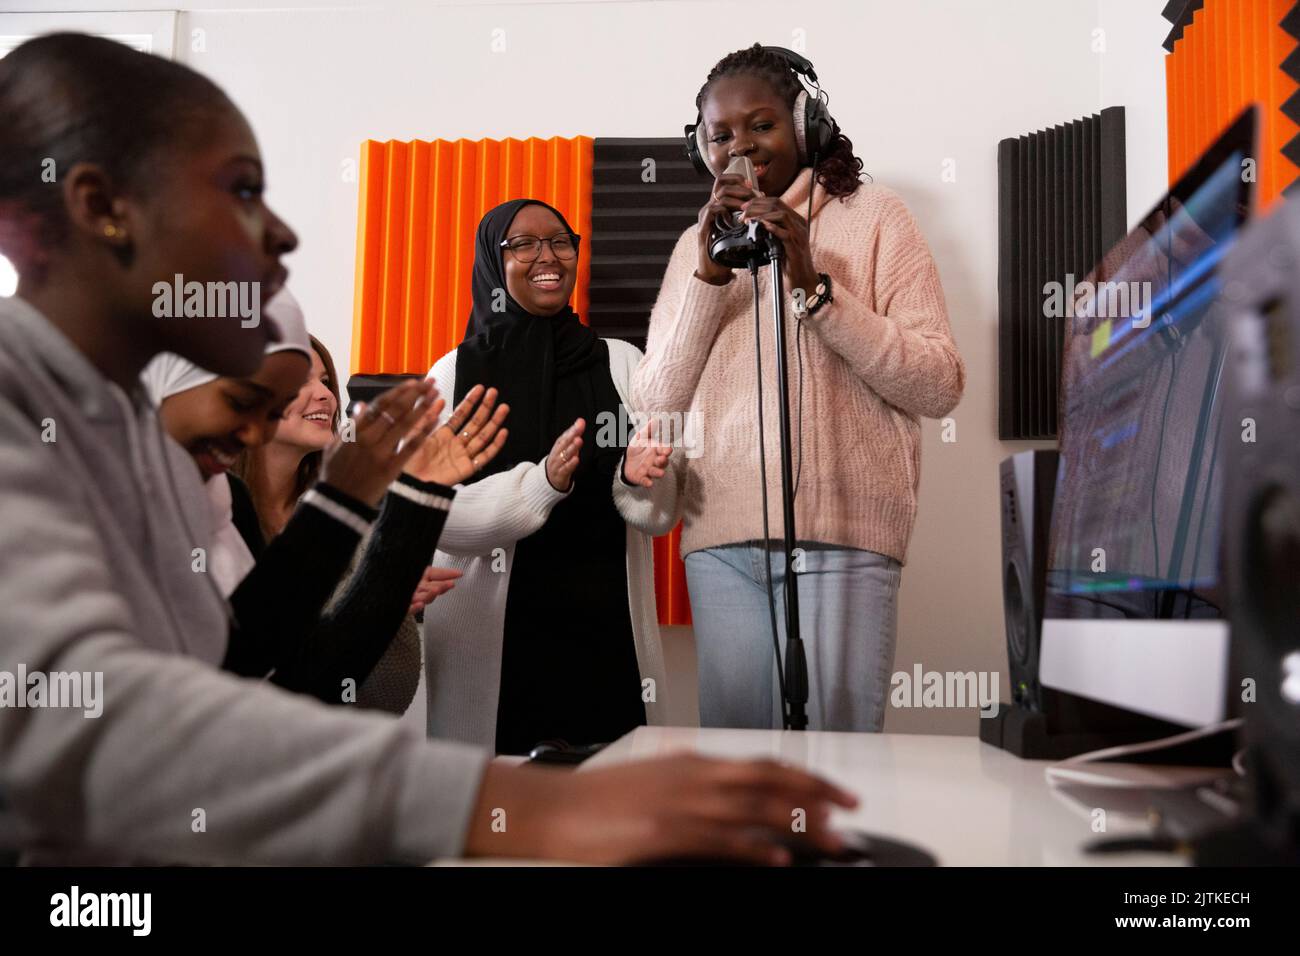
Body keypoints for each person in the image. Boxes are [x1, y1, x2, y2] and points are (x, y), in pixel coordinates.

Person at [0, 32, 856, 866]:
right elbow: (114, 725)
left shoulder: (147, 452)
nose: (286, 236)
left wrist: (354, 498)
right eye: (240, 192)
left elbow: (247, 657)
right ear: (99, 206)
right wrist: (524, 806)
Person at [632, 44, 966, 732]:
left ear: (806, 123)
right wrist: (706, 279)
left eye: (761, 125)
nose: (741, 147)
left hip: (844, 538)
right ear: (702, 149)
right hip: (721, 547)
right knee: (739, 774)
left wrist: (816, 287)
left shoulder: (877, 217)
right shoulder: (694, 248)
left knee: (838, 766)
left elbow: (939, 383)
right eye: (720, 135)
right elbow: (655, 402)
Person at [142, 292, 502, 711]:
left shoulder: (226, 500)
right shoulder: (120, 507)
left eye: (323, 381)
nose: (324, 397)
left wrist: (414, 496)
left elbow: (295, 678)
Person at [421, 198, 683, 755]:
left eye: (561, 242)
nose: (548, 256)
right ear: (494, 262)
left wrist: (636, 480)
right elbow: (433, 517)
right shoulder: (454, 374)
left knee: (615, 802)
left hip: (605, 632)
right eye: (523, 244)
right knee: (497, 816)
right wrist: (545, 482)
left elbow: (660, 516)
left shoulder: (622, 363)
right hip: (495, 643)